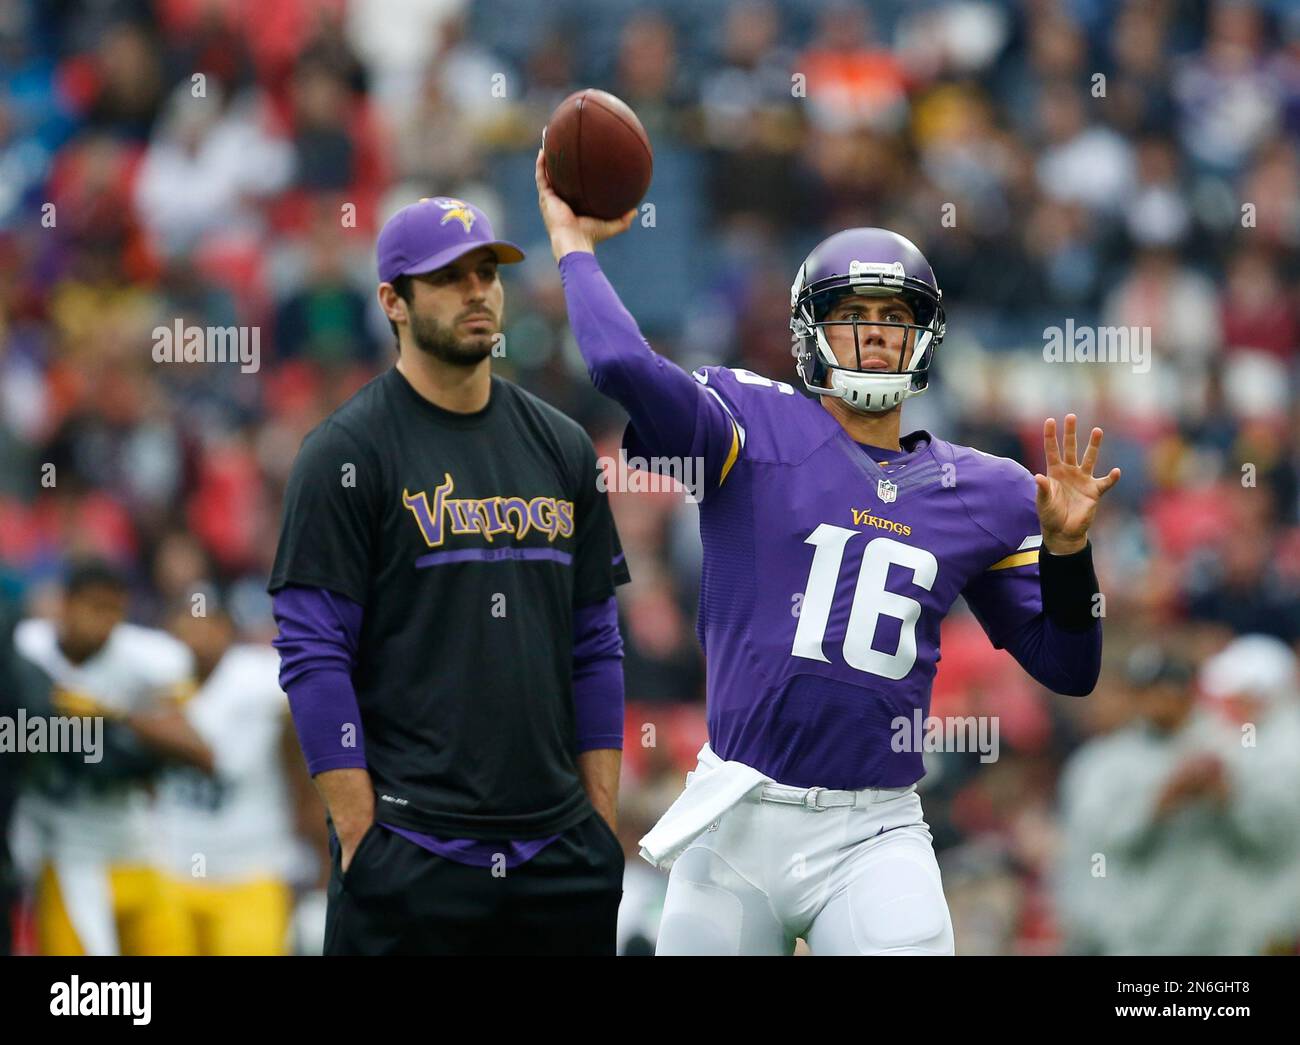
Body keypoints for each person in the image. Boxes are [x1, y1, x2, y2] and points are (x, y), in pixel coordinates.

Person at [536, 151, 1118, 955]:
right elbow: (620, 364)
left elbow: (1069, 667)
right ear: (812, 328)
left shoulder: (987, 487)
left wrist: (1068, 556)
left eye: (895, 314)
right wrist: (574, 243)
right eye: (855, 312)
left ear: (926, 334)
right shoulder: (750, 421)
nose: (877, 331)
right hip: (736, 812)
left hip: (873, 829)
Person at [268, 196, 630, 955]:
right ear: (393, 302)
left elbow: (595, 638)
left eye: (487, 271)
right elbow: (313, 654)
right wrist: (361, 830)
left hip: (558, 854)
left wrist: (600, 819)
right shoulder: (344, 453)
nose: (478, 290)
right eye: (449, 277)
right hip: (413, 851)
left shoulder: (562, 445)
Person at [13, 559, 212, 955]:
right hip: (56, 845)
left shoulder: (149, 659)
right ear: (65, 605)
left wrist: (113, 716)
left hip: (134, 841)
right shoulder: (25, 647)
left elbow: (200, 752)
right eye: (94, 607)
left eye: (114, 610)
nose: (104, 622)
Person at [156, 597, 299, 955]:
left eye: (207, 622)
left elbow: (313, 688)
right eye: (186, 622)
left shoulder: (257, 676)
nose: (196, 633)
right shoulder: (151, 676)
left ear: (228, 629)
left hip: (251, 869)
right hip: (169, 868)